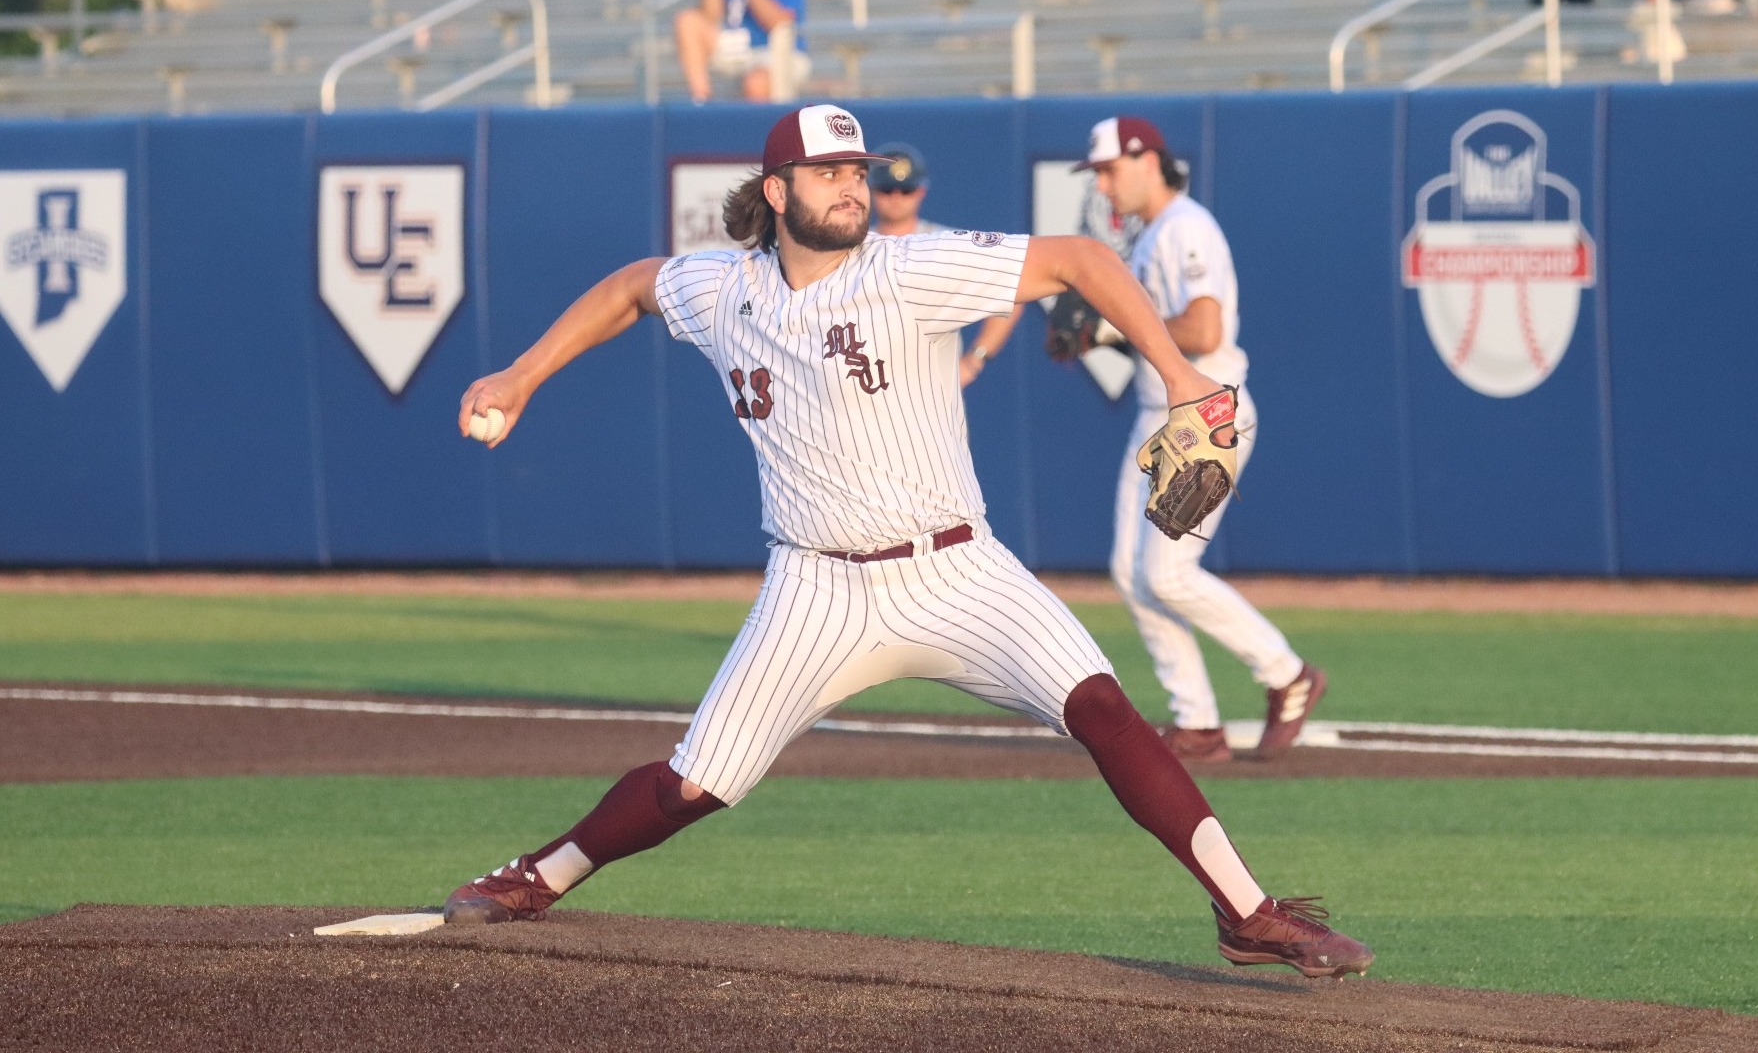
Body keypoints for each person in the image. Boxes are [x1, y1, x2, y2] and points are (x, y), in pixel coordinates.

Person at [443, 104, 1373, 980]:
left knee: (1102, 707)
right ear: (777, 192)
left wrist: (1176, 374)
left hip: (958, 569)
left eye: (860, 169)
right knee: (696, 786)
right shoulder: (722, 288)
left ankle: (1248, 912)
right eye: (830, 172)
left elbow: (1083, 261)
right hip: (815, 587)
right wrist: (522, 375)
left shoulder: (907, 267)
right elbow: (631, 288)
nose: (853, 186)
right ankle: (541, 874)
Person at [1078, 116, 1328, 764]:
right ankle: (1197, 722)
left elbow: (1205, 330)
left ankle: (1285, 672)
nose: (1103, 185)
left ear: (1147, 160)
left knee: (1166, 572)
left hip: (1205, 417)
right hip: (1164, 418)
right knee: (1132, 575)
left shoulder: (1185, 226)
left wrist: (1112, 332)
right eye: (1098, 173)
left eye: (1109, 170)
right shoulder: (1155, 230)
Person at [870, 140, 1019, 387]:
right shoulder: (853, 247)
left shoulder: (946, 244)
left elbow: (1012, 288)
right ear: (872, 190)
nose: (896, 197)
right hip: (865, 388)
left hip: (934, 388)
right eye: (887, 189)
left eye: (905, 189)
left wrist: (974, 359)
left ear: (921, 191)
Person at [674, 0, 810, 104]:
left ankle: (759, 126)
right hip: (736, 45)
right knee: (687, 21)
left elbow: (781, 23)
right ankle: (701, 102)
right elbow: (710, 18)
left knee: (757, 83)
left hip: (776, 51)